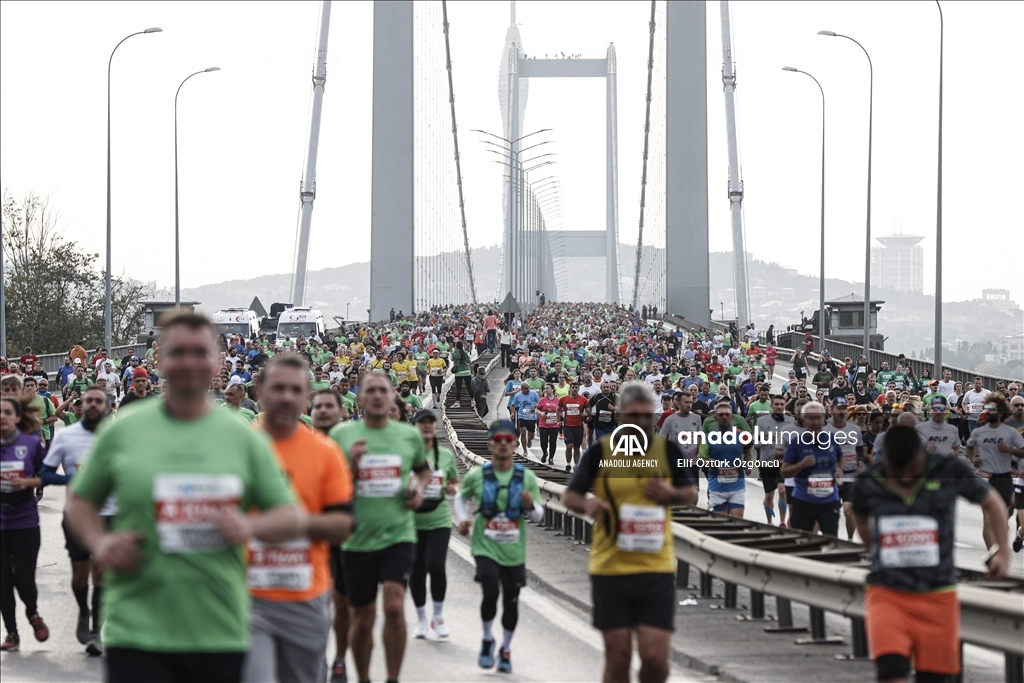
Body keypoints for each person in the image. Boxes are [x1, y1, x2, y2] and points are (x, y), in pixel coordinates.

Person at [67, 313, 303, 683]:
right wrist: (100, 543)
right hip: (137, 629)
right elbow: (80, 501)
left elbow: (288, 517)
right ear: (159, 359)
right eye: (178, 352)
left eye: (199, 352)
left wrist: (248, 524)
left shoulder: (241, 436)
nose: (189, 362)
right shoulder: (124, 430)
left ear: (216, 361)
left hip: (219, 629)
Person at [853, 425, 1010, 683]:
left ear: (922, 455)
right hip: (887, 593)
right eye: (896, 472)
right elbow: (859, 516)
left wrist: (1003, 553)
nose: (904, 478)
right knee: (891, 672)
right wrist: (875, 547)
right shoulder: (869, 481)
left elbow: (992, 502)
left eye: (912, 470)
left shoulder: (948, 470)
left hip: (938, 596)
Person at [563, 382, 698, 683]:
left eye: (645, 416)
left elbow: (691, 495)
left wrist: (670, 493)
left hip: (656, 568)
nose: (639, 422)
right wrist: (588, 505)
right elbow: (569, 496)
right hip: (610, 568)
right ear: (620, 415)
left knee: (655, 659)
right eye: (632, 416)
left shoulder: (668, 450)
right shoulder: (601, 451)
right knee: (619, 658)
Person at [241, 356, 354, 683]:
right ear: (260, 391)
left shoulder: (325, 452)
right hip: (247, 597)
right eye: (278, 388)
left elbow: (343, 527)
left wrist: (296, 523)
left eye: (295, 389)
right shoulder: (240, 446)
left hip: (306, 595)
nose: (287, 397)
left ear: (306, 396)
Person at [328, 371, 430, 683]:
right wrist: (350, 466)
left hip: (398, 533)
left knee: (395, 607)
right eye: (369, 391)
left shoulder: (408, 436)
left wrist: (419, 490)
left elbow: (423, 472)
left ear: (390, 399)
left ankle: (393, 678)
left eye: (381, 391)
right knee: (362, 618)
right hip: (356, 539)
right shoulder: (341, 435)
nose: (375, 396)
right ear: (358, 399)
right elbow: (329, 486)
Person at [455, 420, 545, 674]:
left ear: (515, 444)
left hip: (513, 549)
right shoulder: (478, 475)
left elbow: (539, 516)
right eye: (498, 441)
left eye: (509, 440)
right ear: (490, 445)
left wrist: (530, 505)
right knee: (490, 592)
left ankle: (505, 647)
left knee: (511, 601)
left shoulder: (524, 477)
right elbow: (461, 500)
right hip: (485, 545)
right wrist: (462, 518)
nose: (504, 445)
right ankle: (486, 639)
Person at [39, 385, 112, 655]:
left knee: (101, 573)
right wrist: (73, 479)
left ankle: (95, 632)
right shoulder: (67, 436)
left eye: (98, 401)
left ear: (107, 407)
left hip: (109, 513)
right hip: (77, 516)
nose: (92, 405)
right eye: (87, 401)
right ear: (79, 405)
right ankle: (83, 609)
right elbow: (45, 474)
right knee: (80, 576)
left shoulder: (116, 437)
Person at [310, 391, 354, 683]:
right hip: (310, 535)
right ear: (310, 411)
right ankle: (315, 660)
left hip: (343, 534)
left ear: (341, 411)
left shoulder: (350, 444)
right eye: (318, 406)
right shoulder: (301, 442)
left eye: (330, 406)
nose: (324, 411)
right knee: (314, 604)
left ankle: (339, 659)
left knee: (341, 602)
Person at [0, 395, 49, 652]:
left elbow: (47, 476)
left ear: (17, 417)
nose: (2, 417)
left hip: (25, 521)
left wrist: (28, 483)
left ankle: (32, 614)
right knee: (3, 581)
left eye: (7, 412)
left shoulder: (30, 444)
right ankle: (12, 633)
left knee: (24, 580)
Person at [410, 409, 459, 640]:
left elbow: (453, 482)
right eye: (422, 423)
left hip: (439, 518)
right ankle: (421, 618)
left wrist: (452, 488)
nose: (427, 427)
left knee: (436, 565)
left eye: (431, 422)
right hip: (412, 520)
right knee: (417, 569)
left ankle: (437, 616)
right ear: (415, 427)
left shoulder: (446, 455)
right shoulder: (406, 454)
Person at [966, 393, 1024, 550]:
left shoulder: (1010, 431)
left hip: (1007, 475)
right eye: (988, 409)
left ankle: (1011, 539)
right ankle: (993, 552)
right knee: (987, 519)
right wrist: (973, 460)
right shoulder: (980, 431)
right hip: (986, 476)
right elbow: (970, 446)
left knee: (1007, 513)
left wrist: (1009, 450)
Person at [780, 401, 844, 537]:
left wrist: (839, 471)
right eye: (811, 418)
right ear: (804, 420)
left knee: (831, 539)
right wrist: (801, 465)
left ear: (824, 419)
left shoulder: (832, 439)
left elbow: (840, 458)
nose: (815, 422)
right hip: (804, 501)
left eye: (818, 418)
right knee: (803, 540)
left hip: (829, 500)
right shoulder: (796, 442)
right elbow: (784, 472)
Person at [700, 401, 752, 517]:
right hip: (717, 487)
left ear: (731, 417)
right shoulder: (708, 438)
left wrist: (748, 465)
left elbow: (747, 451)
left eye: (727, 414)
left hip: (737, 486)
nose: (724, 417)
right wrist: (714, 463)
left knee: (738, 521)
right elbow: (702, 459)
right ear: (716, 417)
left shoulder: (741, 435)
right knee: (720, 523)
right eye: (721, 415)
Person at [823, 398, 865, 539]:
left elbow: (859, 450)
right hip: (831, 477)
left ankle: (850, 539)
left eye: (843, 408)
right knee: (831, 511)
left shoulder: (855, 429)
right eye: (838, 408)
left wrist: (860, 461)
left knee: (849, 510)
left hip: (851, 476)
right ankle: (830, 538)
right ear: (832, 410)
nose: (841, 412)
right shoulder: (825, 431)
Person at [559, 381, 589, 472]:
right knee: (569, 446)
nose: (574, 389)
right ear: (570, 388)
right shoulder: (564, 399)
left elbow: (588, 411)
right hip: (568, 426)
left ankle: (576, 465)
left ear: (578, 389)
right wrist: (558, 421)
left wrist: (586, 414)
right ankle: (568, 464)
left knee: (576, 447)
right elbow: (558, 409)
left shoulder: (583, 399)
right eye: (573, 387)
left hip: (578, 426)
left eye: (576, 387)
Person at [508, 381, 540, 457]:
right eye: (526, 388)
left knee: (531, 435)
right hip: (522, 416)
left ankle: (529, 439)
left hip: (531, 417)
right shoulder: (518, 396)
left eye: (528, 388)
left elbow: (539, 403)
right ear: (521, 389)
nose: (528, 389)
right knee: (523, 432)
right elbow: (512, 405)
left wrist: (535, 407)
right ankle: (525, 450)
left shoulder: (533, 393)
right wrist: (512, 413)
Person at [537, 382, 561, 466]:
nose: (546, 390)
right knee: (543, 441)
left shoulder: (558, 400)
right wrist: (541, 413)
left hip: (554, 425)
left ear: (552, 389)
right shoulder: (542, 400)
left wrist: (561, 419)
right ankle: (545, 453)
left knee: (553, 442)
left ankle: (551, 458)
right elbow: (537, 409)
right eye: (545, 388)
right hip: (543, 424)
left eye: (547, 388)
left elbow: (561, 411)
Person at [449, 341, 472, 409]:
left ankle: (457, 402)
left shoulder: (454, 353)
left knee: (459, 388)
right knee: (469, 387)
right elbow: (469, 361)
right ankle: (473, 400)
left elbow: (451, 359)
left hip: (459, 372)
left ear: (456, 346)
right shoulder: (464, 352)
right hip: (467, 371)